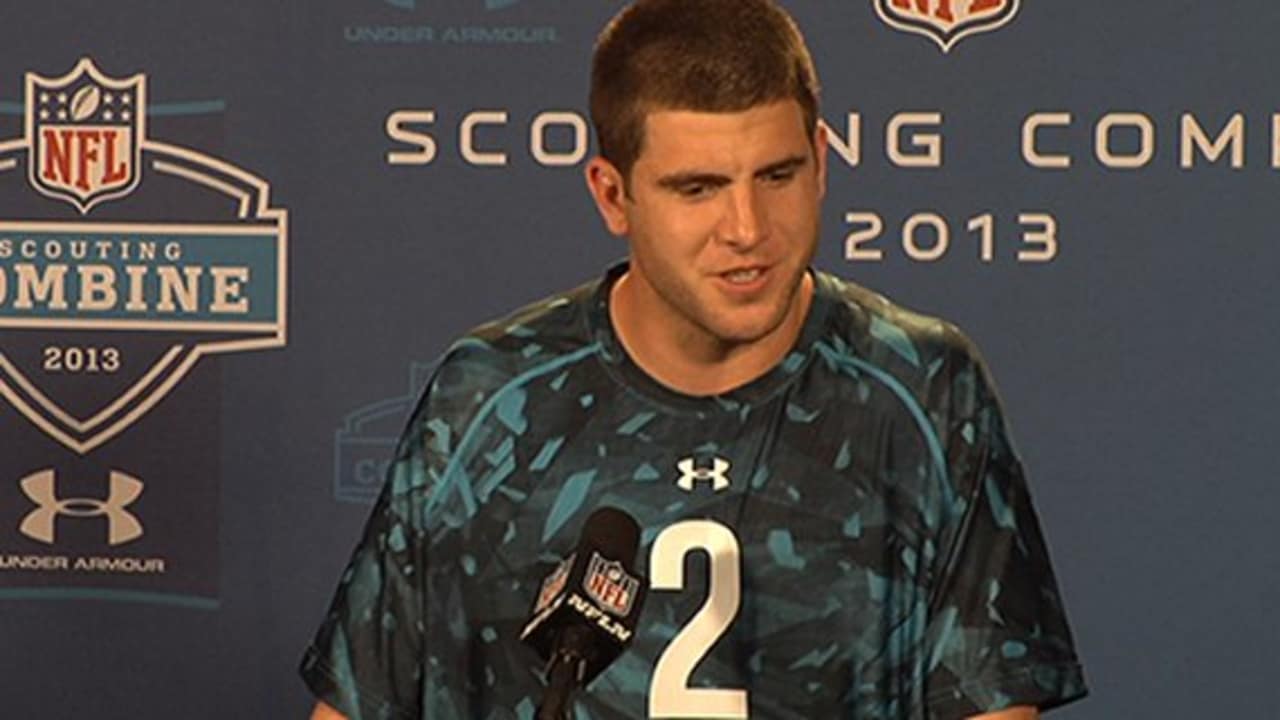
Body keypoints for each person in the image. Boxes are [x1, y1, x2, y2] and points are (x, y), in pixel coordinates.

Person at [301, 1, 1088, 718]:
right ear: (612, 195)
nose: (747, 228)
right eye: (698, 188)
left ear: (821, 160)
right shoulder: (488, 399)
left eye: (777, 175)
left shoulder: (924, 392)